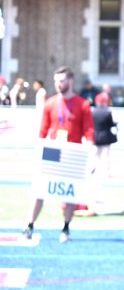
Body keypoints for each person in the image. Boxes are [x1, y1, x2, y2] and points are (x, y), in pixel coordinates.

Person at [24, 66, 95, 243]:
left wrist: (92, 158)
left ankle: (65, 227)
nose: (58, 84)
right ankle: (30, 225)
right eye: (56, 81)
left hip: (73, 153)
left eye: (61, 81)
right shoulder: (50, 103)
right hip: (53, 152)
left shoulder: (83, 104)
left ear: (70, 81)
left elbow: (89, 132)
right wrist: (37, 153)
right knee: (40, 189)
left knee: (71, 192)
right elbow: (42, 131)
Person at [92, 92, 118, 179]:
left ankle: (93, 170)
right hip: (105, 137)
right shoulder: (107, 112)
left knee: (96, 155)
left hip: (95, 137)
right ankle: (107, 172)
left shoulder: (93, 112)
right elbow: (111, 124)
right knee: (106, 156)